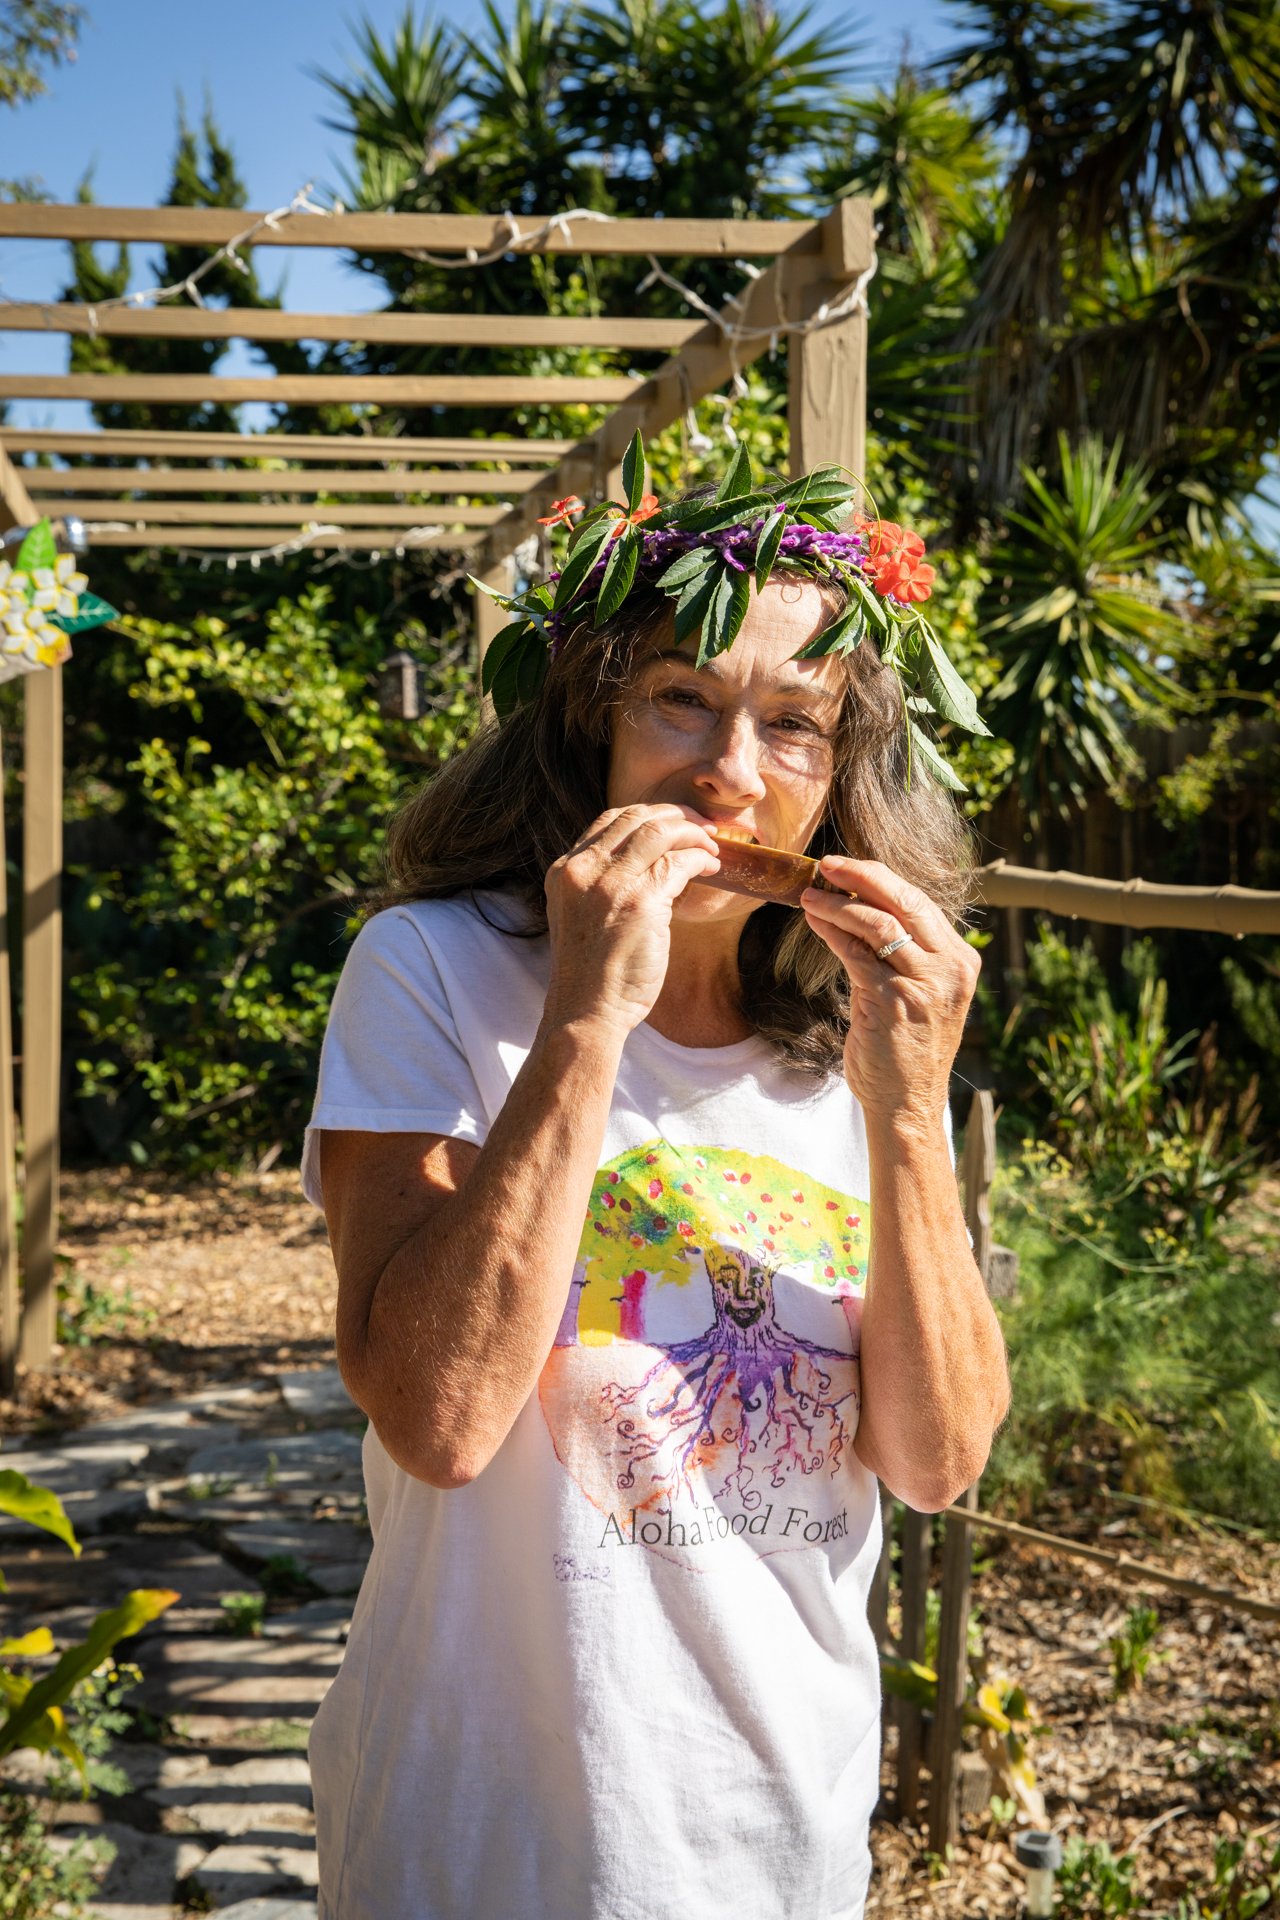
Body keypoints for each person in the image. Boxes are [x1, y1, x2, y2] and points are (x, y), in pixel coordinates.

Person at [300, 456, 1010, 1920]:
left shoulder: (849, 1049)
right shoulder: (434, 974)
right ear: (591, 718)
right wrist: (582, 1016)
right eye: (683, 696)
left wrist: (914, 1108)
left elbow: (938, 1464)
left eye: (795, 726)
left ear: (840, 780)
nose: (730, 774)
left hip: (776, 1845)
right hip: (470, 1846)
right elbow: (435, 1419)